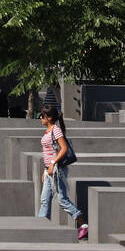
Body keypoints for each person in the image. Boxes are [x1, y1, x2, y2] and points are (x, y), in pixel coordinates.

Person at [37, 103, 88, 241]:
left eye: (42, 116)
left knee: (62, 199)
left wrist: (53, 163)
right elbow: (48, 153)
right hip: (49, 171)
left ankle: (82, 224)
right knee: (44, 200)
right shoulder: (48, 131)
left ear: (48, 117)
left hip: (57, 170)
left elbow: (64, 149)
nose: (40, 118)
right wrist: (45, 169)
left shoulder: (56, 130)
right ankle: (40, 229)